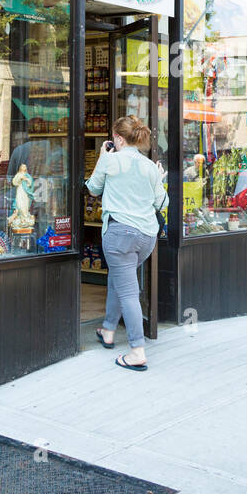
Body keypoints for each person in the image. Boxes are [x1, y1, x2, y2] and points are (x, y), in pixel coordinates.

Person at [85, 116, 168, 371]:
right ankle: (109, 330)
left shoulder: (111, 160)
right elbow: (162, 204)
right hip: (145, 238)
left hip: (120, 235)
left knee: (129, 292)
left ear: (118, 139)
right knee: (120, 280)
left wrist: (102, 157)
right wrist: (160, 179)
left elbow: (93, 189)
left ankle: (137, 350)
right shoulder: (150, 167)